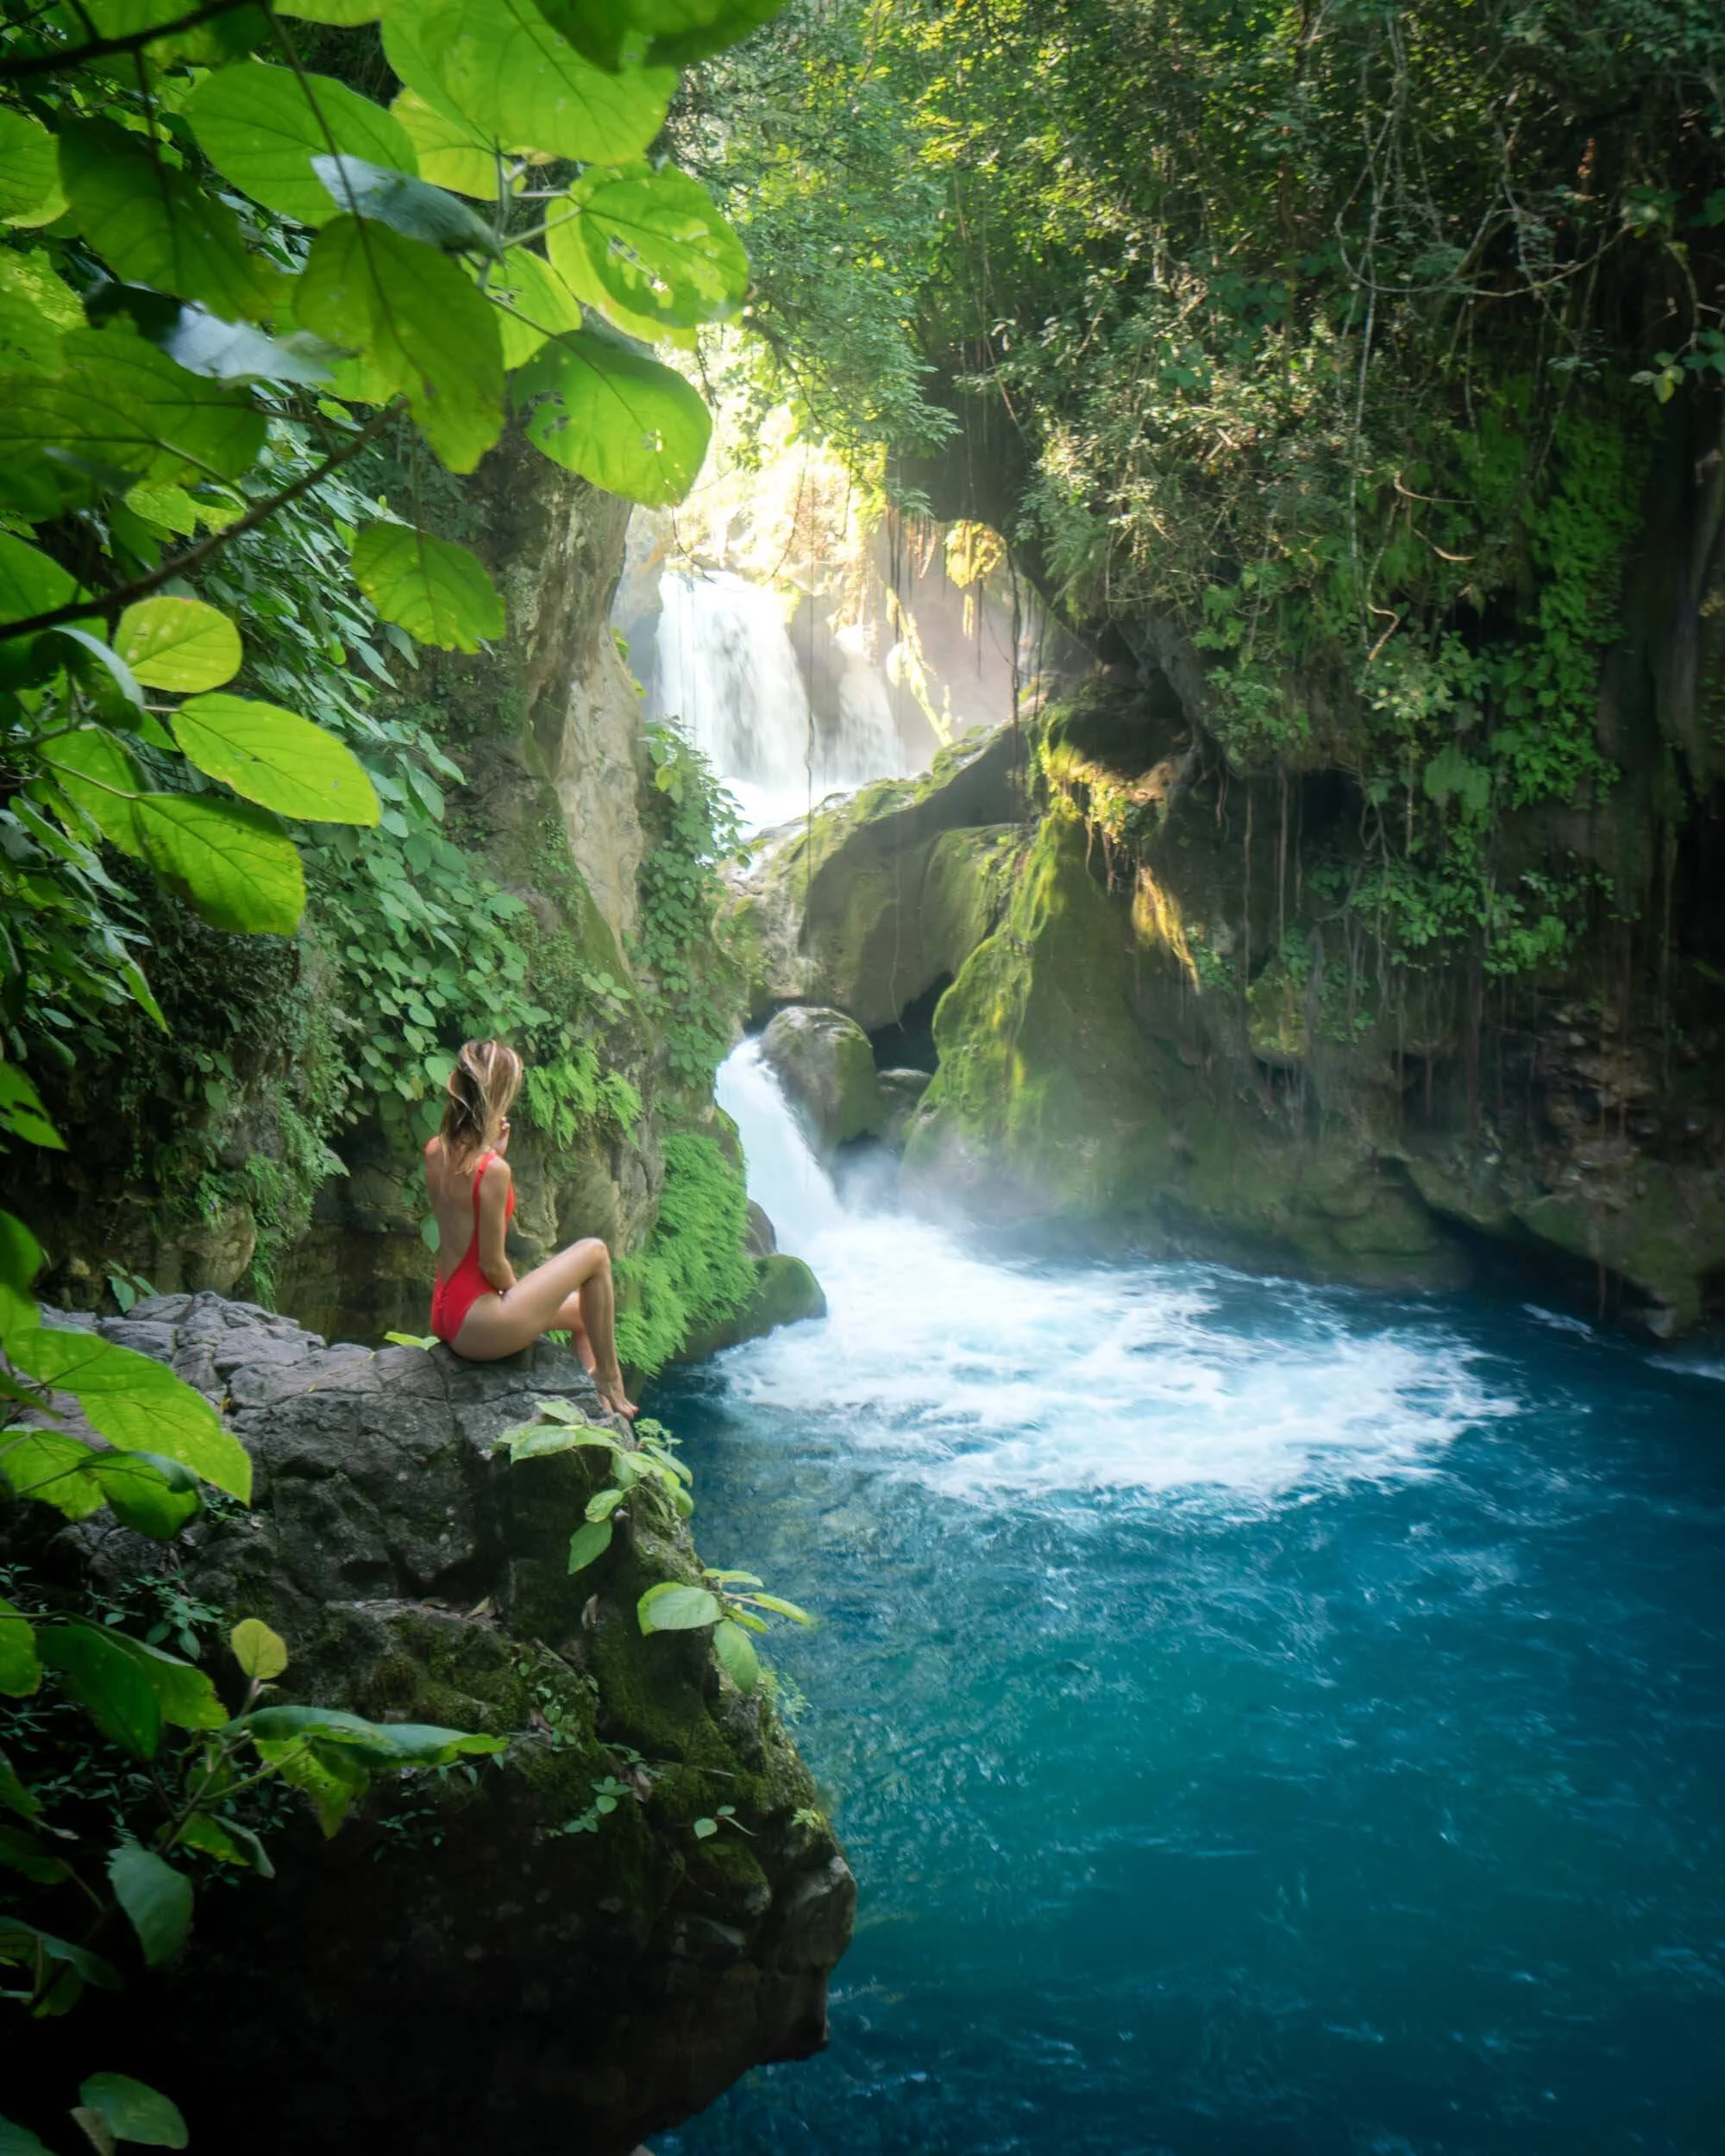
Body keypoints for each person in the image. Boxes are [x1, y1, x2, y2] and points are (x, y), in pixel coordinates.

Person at [423, 1038, 637, 1419]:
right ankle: (609, 1376)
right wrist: (516, 1295)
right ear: (500, 1095)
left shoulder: (436, 1149)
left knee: (585, 1312)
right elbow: (492, 1266)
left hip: (445, 1312)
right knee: (595, 1252)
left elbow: (461, 1210)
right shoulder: (493, 1171)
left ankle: (601, 1413)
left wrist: (493, 1149)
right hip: (478, 1325)